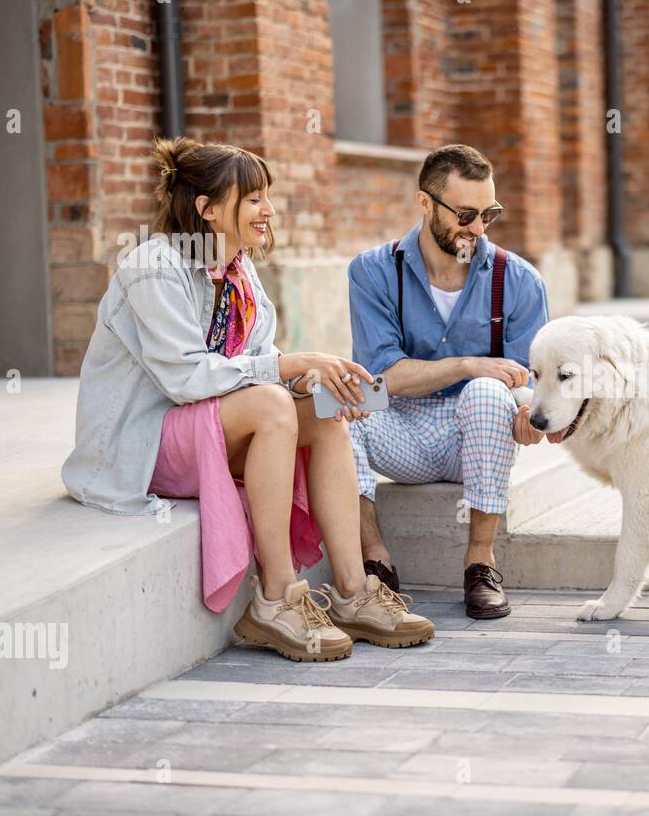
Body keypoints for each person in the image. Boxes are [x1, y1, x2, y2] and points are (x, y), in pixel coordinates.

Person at [61, 136, 433, 662]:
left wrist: (313, 382)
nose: (268, 210)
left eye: (266, 197)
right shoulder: (152, 266)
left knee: (323, 413)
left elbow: (260, 362)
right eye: (253, 198)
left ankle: (354, 593)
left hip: (211, 429)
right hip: (143, 441)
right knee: (273, 404)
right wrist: (290, 368)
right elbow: (185, 379)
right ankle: (274, 598)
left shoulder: (239, 273)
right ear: (207, 209)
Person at [347, 144, 550, 619]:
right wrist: (468, 364)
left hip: (476, 436)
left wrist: (528, 417)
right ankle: (375, 561)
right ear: (424, 203)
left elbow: (525, 384)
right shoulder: (373, 271)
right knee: (340, 398)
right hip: (400, 433)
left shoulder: (519, 280)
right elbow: (384, 376)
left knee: (487, 392)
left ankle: (481, 563)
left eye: (489, 214)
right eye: (465, 214)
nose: (478, 229)